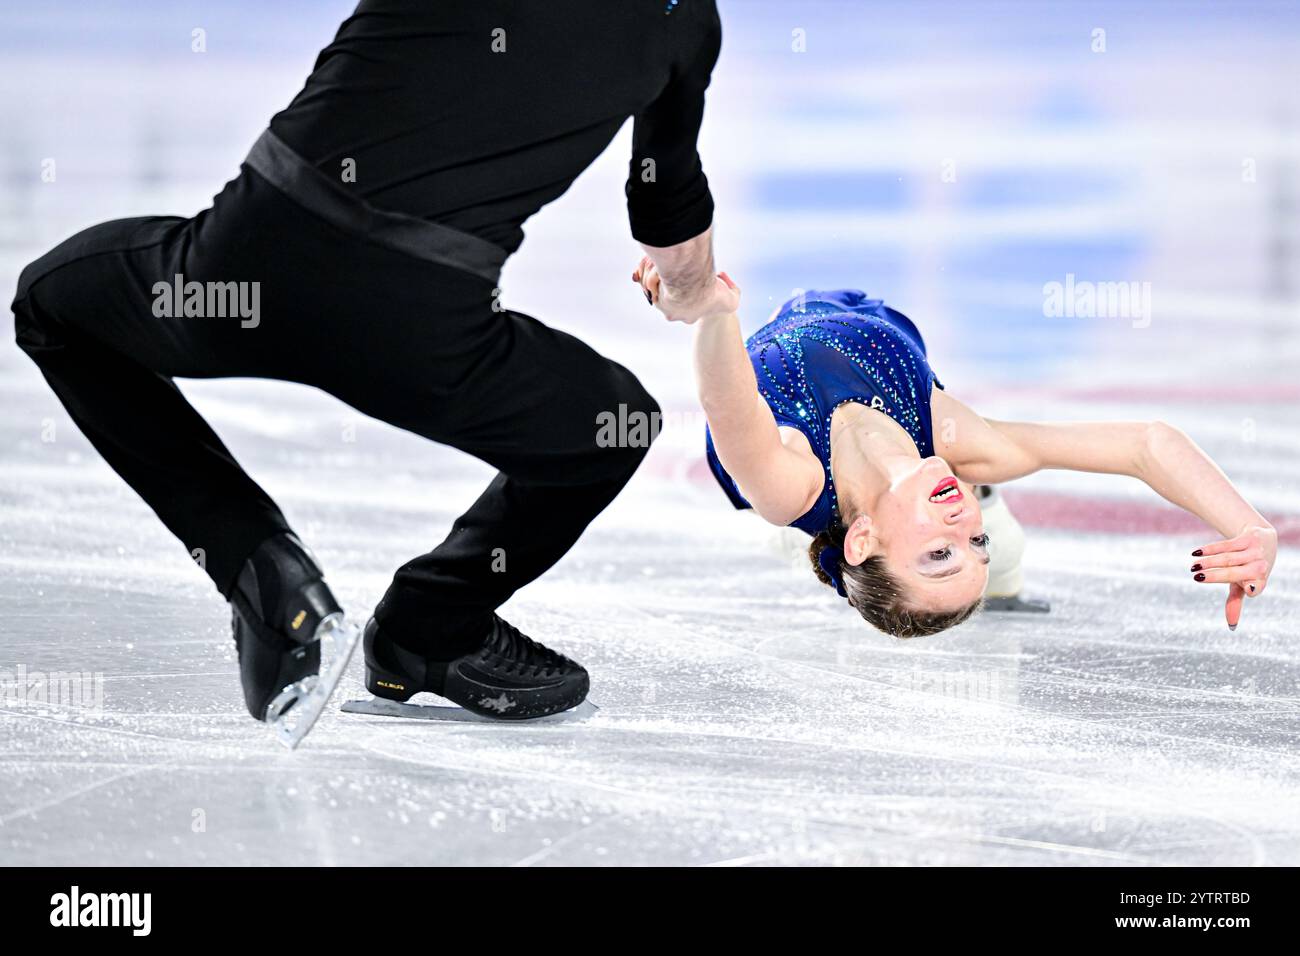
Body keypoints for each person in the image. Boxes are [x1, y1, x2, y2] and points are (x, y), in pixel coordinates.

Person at [11, 1, 737, 737]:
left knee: (53, 307)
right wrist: (694, 293)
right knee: (608, 427)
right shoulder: (680, 17)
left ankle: (258, 564)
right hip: (420, 332)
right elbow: (666, 207)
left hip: (239, 270)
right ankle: (430, 628)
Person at [632, 270, 1278, 637]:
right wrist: (1248, 527)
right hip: (855, 323)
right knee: (990, 500)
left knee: (778, 527)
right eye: (975, 542)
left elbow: (725, 402)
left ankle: (833, 549)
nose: (961, 529)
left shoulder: (790, 485)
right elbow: (1144, 445)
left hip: (799, 442)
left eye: (940, 552)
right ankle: (989, 554)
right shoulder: (964, 443)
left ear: (860, 540)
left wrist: (709, 311)